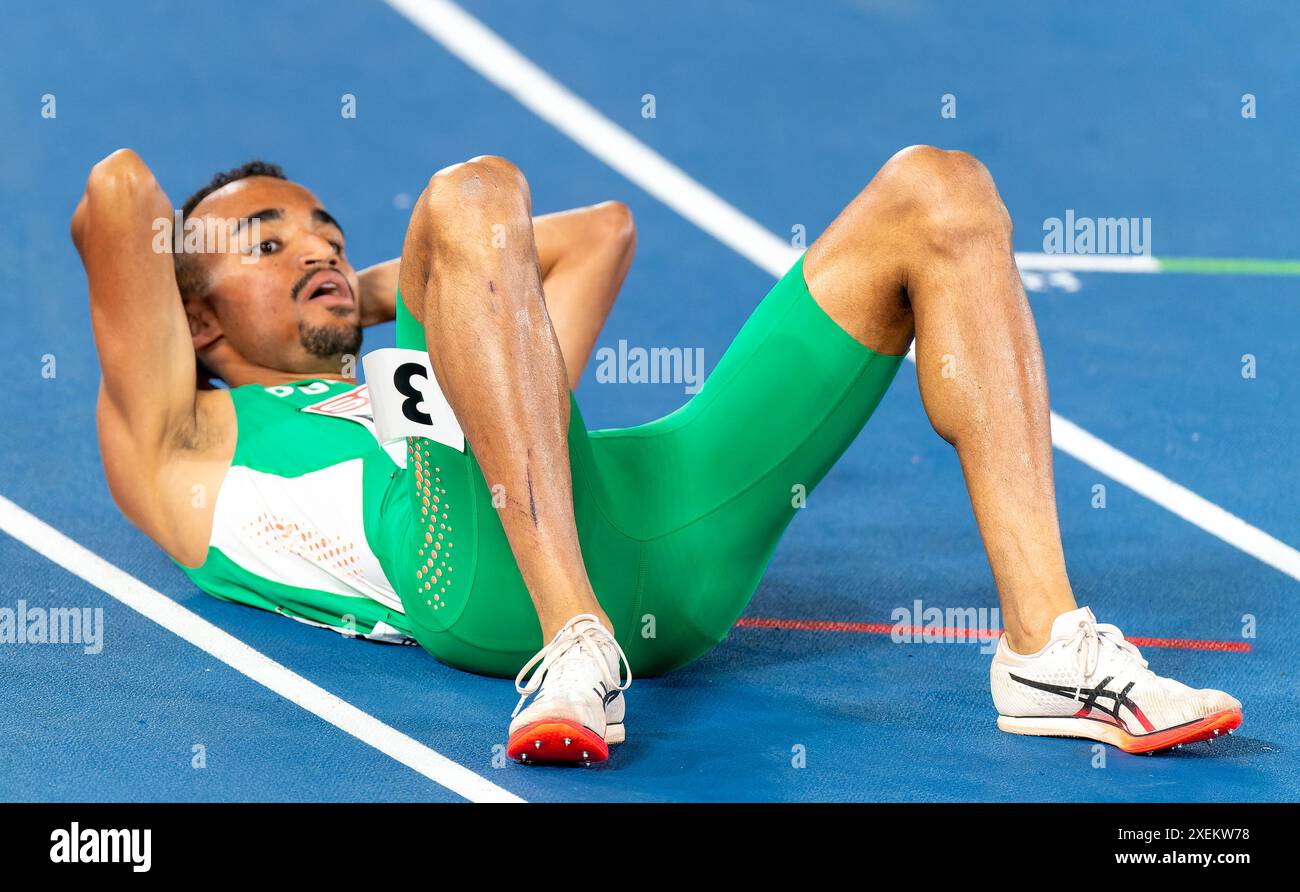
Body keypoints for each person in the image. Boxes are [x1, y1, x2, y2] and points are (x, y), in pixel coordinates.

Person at [71, 146, 1241, 765]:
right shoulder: (180, 443)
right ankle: (573, 645)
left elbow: (599, 235)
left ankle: (1045, 649)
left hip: (647, 518)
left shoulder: (438, 362)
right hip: (480, 582)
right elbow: (117, 191)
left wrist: (366, 292)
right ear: (197, 325)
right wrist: (399, 273)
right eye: (265, 241)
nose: (315, 246)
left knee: (937, 190)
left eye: (325, 229)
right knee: (468, 189)